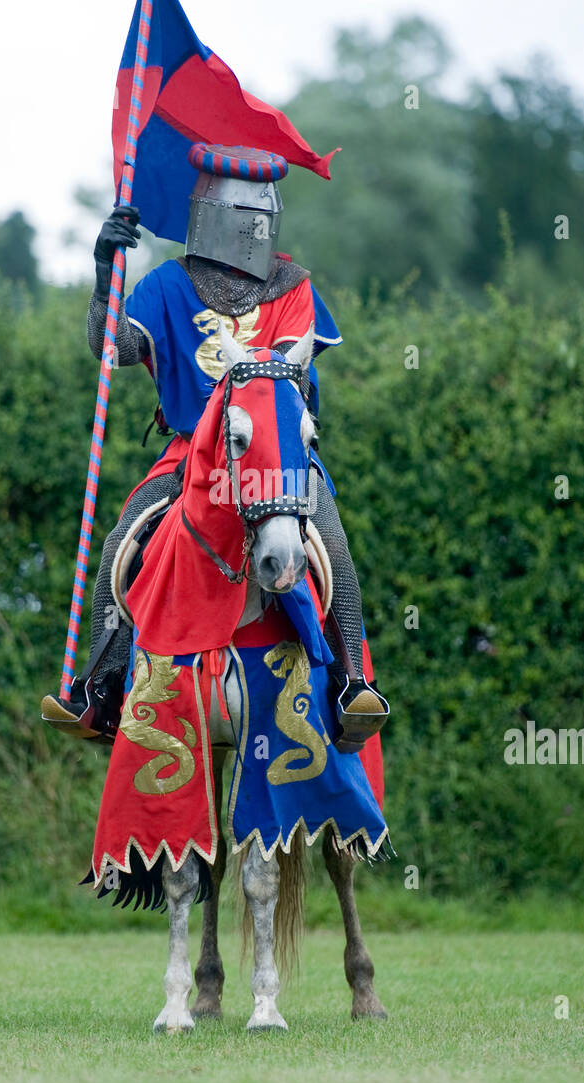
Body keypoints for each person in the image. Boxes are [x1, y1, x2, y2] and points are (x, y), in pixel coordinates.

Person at [48, 143, 388, 752]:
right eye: (243, 215)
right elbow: (112, 348)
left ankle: (350, 684)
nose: (255, 228)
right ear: (211, 215)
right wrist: (104, 274)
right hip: (190, 455)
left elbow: (290, 377)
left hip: (272, 455)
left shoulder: (292, 287)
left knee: (329, 535)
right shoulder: (168, 285)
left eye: (265, 215)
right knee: (123, 541)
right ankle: (100, 689)